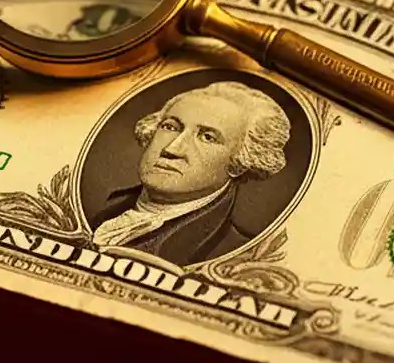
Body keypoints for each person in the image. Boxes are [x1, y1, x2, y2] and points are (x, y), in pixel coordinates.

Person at [90, 81, 291, 267]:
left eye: (207, 137)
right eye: (170, 127)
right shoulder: (106, 209)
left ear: (239, 163)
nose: (172, 148)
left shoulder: (231, 252)